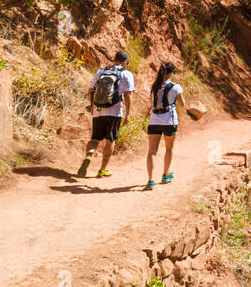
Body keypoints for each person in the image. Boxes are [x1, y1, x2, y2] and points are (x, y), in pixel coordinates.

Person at [79, 50, 134, 178]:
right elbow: (128, 95)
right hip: (114, 112)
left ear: (114, 59)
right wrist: (128, 114)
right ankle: (102, 170)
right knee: (110, 140)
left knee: (95, 139)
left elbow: (90, 91)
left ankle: (88, 156)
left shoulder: (101, 71)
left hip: (98, 111)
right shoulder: (126, 74)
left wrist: (93, 104)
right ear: (125, 62)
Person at [144, 61, 188, 190]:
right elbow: (182, 104)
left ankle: (150, 180)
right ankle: (165, 175)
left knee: (152, 152)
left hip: (154, 121)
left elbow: (153, 103)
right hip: (169, 121)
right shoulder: (176, 87)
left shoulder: (155, 86)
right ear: (171, 73)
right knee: (169, 149)